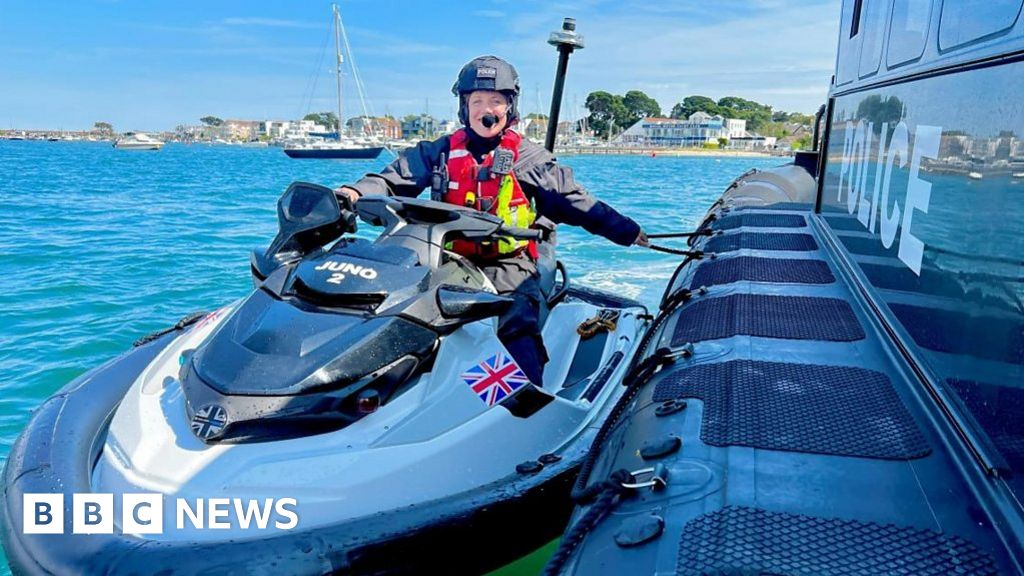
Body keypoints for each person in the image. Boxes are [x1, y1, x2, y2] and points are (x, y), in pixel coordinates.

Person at [336, 55, 647, 387]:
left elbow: (577, 202)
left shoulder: (530, 159)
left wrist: (628, 231)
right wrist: (353, 193)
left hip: (508, 261)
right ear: (464, 107)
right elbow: (393, 178)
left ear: (509, 107)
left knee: (515, 318)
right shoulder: (440, 151)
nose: (487, 109)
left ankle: (524, 399)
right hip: (448, 257)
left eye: (496, 101)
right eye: (478, 101)